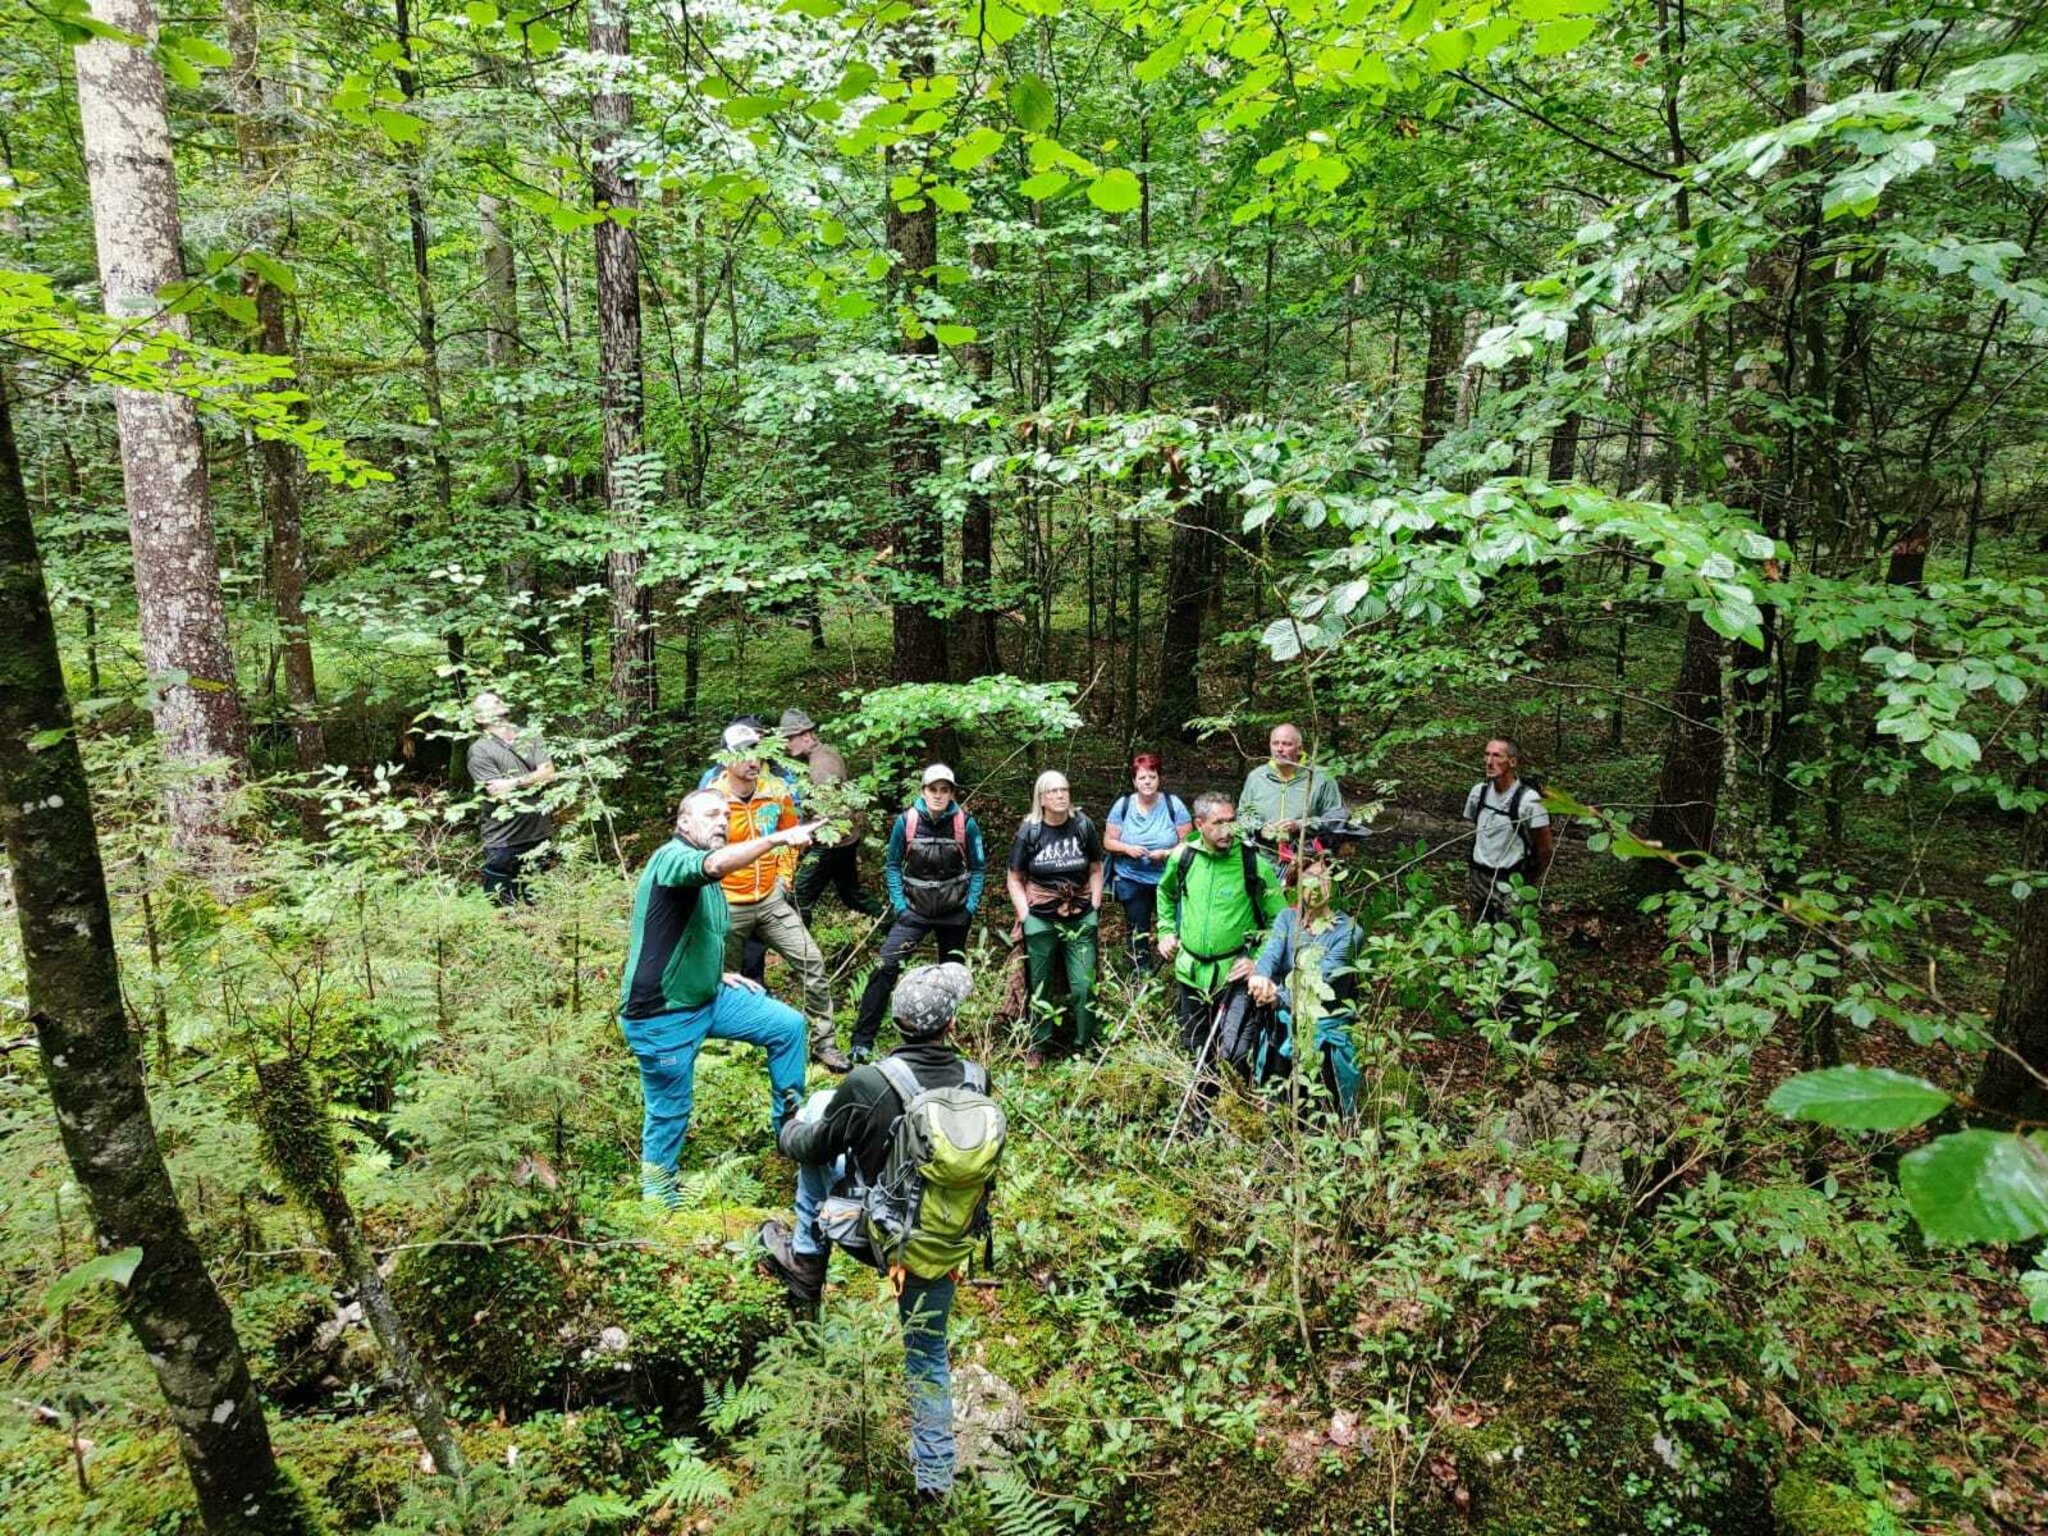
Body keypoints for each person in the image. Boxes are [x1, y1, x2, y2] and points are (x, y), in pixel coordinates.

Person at [758, 963, 988, 1503]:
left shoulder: (868, 1083)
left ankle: (806, 1259)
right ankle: (934, 1484)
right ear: (950, 1025)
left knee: (819, 1111)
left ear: (896, 1021)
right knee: (927, 1354)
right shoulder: (976, 1079)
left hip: (874, 1236)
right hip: (942, 1242)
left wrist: (787, 1128)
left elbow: (813, 1148)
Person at [618, 789, 818, 1206]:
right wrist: (776, 838)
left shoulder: (705, 868)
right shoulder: (672, 858)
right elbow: (712, 865)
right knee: (670, 1110)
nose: (722, 822)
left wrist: (715, 971)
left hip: (709, 997)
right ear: (683, 822)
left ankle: (789, 1129)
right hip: (661, 1015)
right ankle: (657, 1202)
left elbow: (691, 932)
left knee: (788, 1027)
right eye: (711, 814)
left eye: (726, 815)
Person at [706, 723, 848, 1072]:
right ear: (726, 758)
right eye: (743, 753)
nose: (752, 760)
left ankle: (824, 1043)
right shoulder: (712, 800)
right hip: (729, 902)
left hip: (771, 899)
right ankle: (732, 1046)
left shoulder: (776, 790)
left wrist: (784, 877)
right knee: (726, 978)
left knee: (812, 962)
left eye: (756, 751)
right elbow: (702, 856)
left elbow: (789, 835)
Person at [851, 765, 986, 1064]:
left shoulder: (966, 824)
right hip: (914, 911)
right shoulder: (907, 822)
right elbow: (892, 865)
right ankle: (862, 1041)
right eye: (932, 789)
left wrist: (970, 907)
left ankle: (949, 1040)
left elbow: (978, 868)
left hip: (954, 912)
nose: (938, 795)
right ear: (923, 791)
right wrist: (900, 906)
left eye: (944, 790)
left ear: (952, 793)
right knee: (885, 967)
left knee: (953, 977)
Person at [1157, 792, 1285, 1075]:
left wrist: (1258, 961)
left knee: (1234, 1053)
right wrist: (1165, 930)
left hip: (1235, 974)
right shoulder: (1183, 857)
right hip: (1190, 972)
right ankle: (1201, 1101)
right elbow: (1165, 892)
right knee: (1194, 1048)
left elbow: (1281, 919)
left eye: (1232, 821)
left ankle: (1237, 1098)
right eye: (1219, 823)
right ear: (1199, 824)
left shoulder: (1253, 863)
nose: (1228, 830)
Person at [1249, 842, 1365, 1116]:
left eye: (1322, 878)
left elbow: (1322, 980)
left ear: (1332, 881)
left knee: (1321, 1117)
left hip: (1325, 1039)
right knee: (1278, 1112)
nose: (1315, 887)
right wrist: (1260, 977)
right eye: (1308, 879)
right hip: (1285, 1029)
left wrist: (1277, 996)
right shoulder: (1287, 919)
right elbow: (1271, 952)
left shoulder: (1349, 932)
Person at [1006, 771, 1103, 1066]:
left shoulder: (1083, 826)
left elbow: (1096, 869)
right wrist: (1025, 916)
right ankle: (1040, 1043)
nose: (1060, 795)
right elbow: (1014, 878)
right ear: (1041, 798)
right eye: (1053, 791)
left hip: (1080, 917)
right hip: (1041, 918)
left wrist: (1095, 906)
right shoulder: (1030, 831)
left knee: (1084, 985)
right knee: (1040, 984)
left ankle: (1085, 1043)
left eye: (1064, 789)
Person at [780, 708, 884, 923]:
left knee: (800, 896)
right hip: (845, 838)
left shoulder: (821, 765)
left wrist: (808, 837)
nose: (787, 744)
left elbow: (830, 811)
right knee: (851, 893)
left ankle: (800, 943)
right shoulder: (825, 752)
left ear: (806, 736)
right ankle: (889, 921)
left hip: (832, 843)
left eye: (790, 738)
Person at [1103, 754, 1193, 976]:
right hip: (1132, 878)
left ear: (1159, 779)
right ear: (1134, 781)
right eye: (1142, 778)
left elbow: (1189, 843)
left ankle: (1176, 971)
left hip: (1168, 878)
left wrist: (1166, 853)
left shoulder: (1173, 805)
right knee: (1137, 928)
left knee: (1176, 924)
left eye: (1152, 777)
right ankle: (1141, 972)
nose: (1147, 782)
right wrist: (1127, 849)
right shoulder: (1123, 805)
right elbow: (1108, 841)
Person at [466, 691, 559, 905]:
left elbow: (549, 773)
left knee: (542, 908)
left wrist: (512, 782)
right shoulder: (479, 750)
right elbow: (501, 796)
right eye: (487, 702)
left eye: (497, 698)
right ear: (479, 718)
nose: (496, 700)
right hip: (504, 842)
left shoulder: (530, 735)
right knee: (504, 912)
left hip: (539, 834)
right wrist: (533, 779)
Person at [1463, 736, 1555, 926]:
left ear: (1512, 762)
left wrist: (1528, 881)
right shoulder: (1478, 793)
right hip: (1479, 877)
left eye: (1497, 756)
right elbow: (1477, 828)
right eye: (1487, 755)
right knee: (1478, 931)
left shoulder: (1530, 802)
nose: (1489, 762)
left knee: (1511, 932)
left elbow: (1545, 849)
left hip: (1512, 879)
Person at [1238, 722, 1345, 852]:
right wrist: (1260, 829)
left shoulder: (1322, 778)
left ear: (1299, 748)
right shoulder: (1257, 777)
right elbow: (1243, 815)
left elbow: (1336, 818)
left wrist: (1300, 825)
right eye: (1275, 743)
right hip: (1263, 856)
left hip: (1306, 856)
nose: (1279, 749)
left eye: (1286, 744)